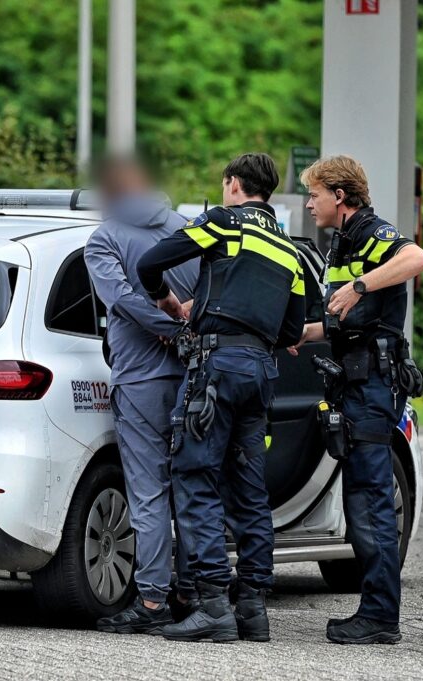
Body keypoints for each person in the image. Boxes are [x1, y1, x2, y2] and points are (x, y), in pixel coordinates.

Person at [136, 153, 305, 643]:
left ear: (233, 184)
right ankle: (252, 607)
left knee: (194, 477)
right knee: (250, 490)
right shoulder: (288, 249)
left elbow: (152, 262)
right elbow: (292, 329)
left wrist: (168, 302)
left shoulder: (224, 224)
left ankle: (212, 604)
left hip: (214, 369)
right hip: (259, 375)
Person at [289, 155, 423, 644]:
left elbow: (417, 259)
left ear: (340, 197)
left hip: (372, 386)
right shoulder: (341, 243)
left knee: (370, 502)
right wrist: (295, 336)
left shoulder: (374, 233)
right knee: (361, 500)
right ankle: (375, 611)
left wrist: (359, 284)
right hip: (354, 385)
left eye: (315, 195)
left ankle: (379, 617)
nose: (309, 203)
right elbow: (340, 320)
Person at [85, 156, 199, 634]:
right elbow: (214, 295)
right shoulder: (191, 230)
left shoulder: (105, 238)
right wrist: (188, 331)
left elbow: (123, 302)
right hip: (196, 377)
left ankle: (152, 602)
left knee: (149, 493)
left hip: (141, 380)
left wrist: (168, 329)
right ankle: (196, 593)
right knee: (194, 488)